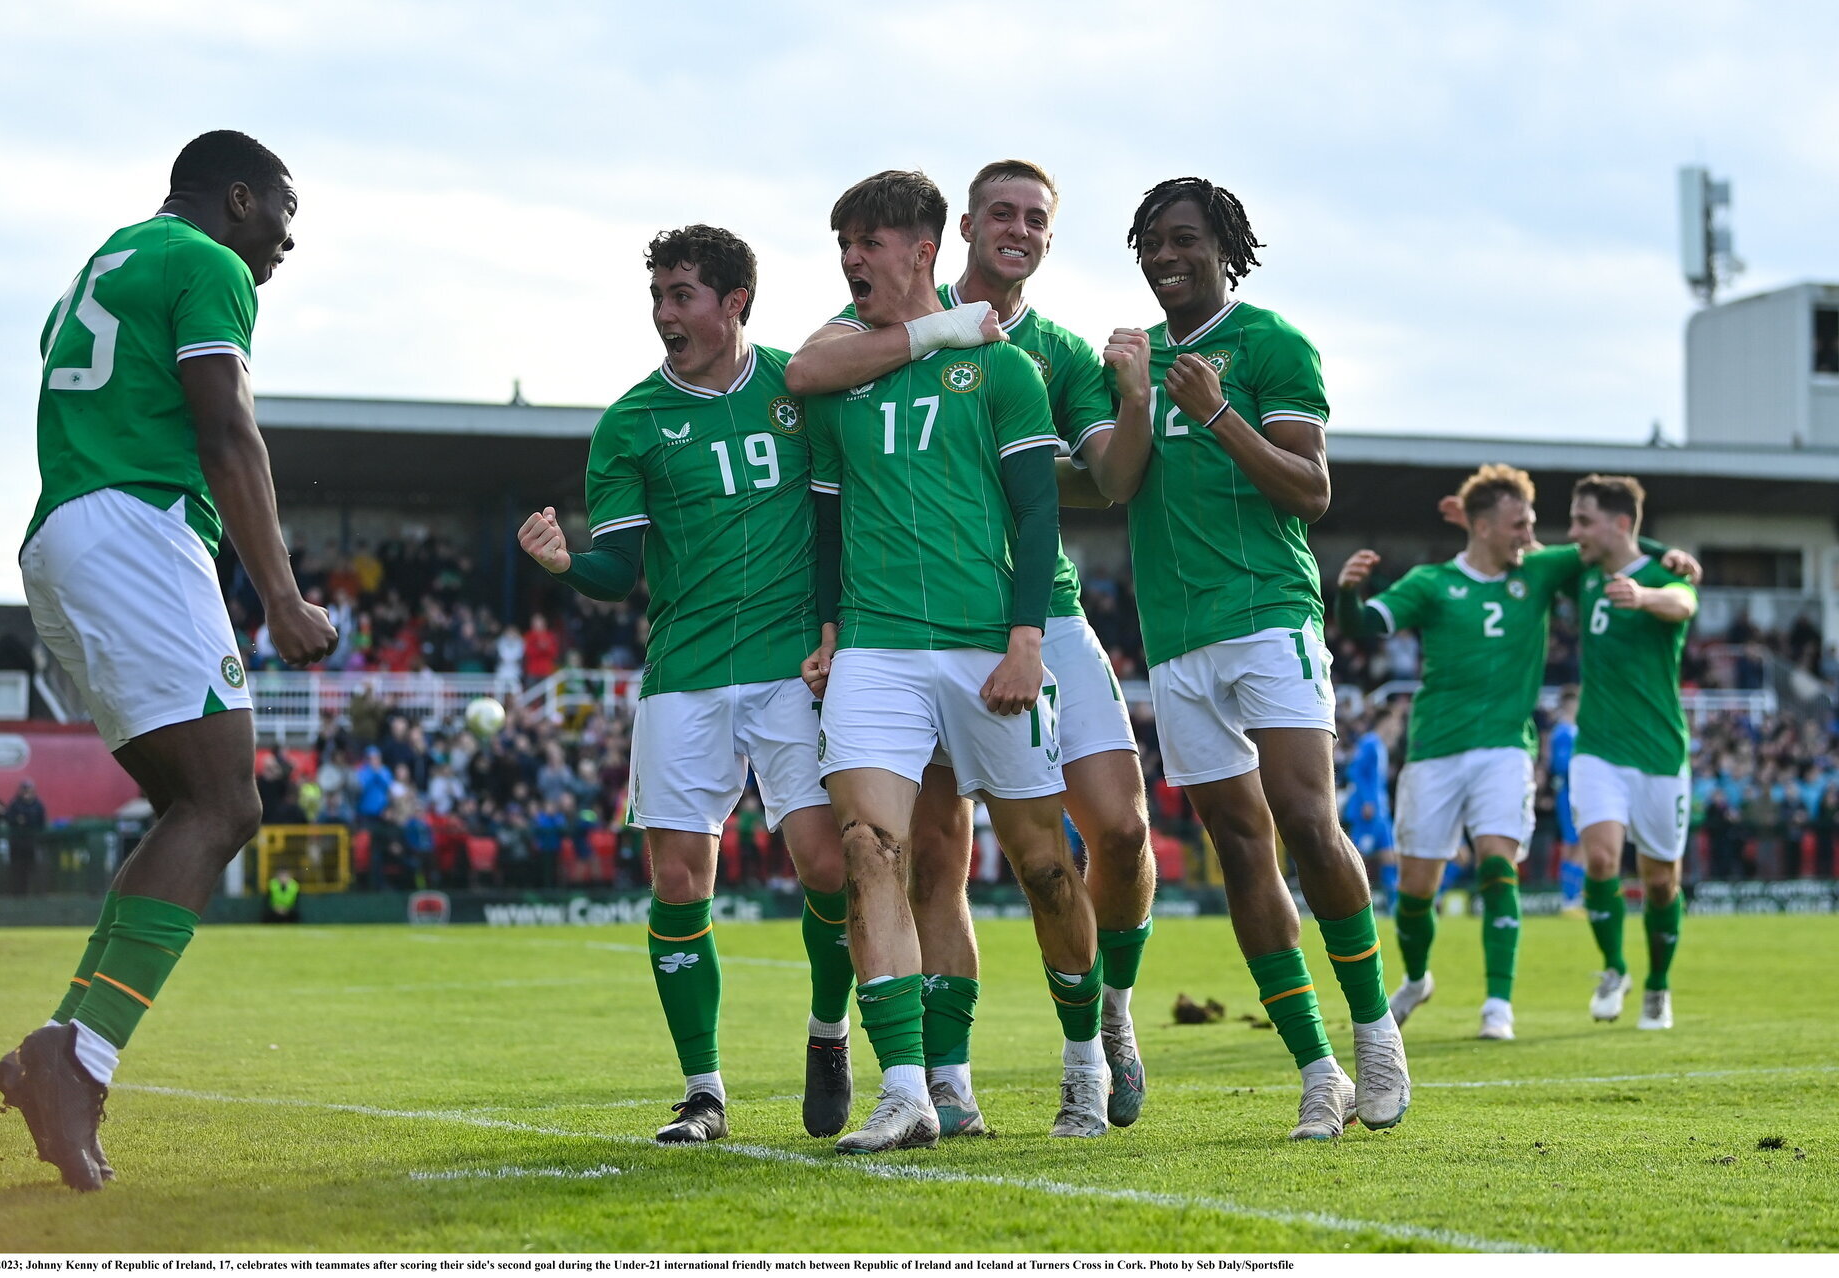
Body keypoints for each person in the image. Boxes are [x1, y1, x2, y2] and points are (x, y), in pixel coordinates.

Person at [0, 130, 338, 1192]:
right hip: (134, 530)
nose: (288, 238)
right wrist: (279, 595)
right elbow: (227, 428)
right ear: (238, 198)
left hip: (63, 533)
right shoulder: (210, 265)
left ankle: (65, 1047)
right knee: (226, 807)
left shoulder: (102, 265)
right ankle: (78, 1054)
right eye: (283, 210)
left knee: (194, 806)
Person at [786, 160, 1156, 1134]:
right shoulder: (844, 365)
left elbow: (1042, 517)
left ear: (919, 248)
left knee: (1045, 863)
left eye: (866, 244)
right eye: (843, 247)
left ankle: (1085, 1052)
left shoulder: (1007, 367)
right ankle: (908, 1089)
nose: (851, 262)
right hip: (875, 649)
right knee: (875, 848)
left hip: (988, 646)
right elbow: (824, 516)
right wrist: (828, 626)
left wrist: (1026, 641)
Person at [517, 225, 851, 1144]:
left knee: (830, 866)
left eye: (683, 296)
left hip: (795, 665)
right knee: (676, 882)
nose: (666, 314)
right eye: (658, 296)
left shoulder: (800, 384)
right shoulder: (631, 422)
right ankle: (704, 1092)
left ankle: (829, 1031)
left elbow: (840, 518)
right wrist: (563, 563)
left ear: (735, 301)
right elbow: (616, 572)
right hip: (686, 673)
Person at [1094, 176, 1407, 1140]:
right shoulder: (1130, 363)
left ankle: (1375, 1035)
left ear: (1227, 248)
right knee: (1239, 845)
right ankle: (1317, 1070)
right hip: (1176, 638)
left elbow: (1310, 492)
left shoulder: (1272, 342)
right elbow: (1106, 480)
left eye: (1184, 239)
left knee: (1309, 820)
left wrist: (1220, 412)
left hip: (1269, 612)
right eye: (1150, 241)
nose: (1164, 256)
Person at [1334, 467, 1700, 1040]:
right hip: (1434, 749)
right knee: (1415, 889)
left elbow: (1613, 541)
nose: (1534, 536)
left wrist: (1665, 552)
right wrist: (1348, 590)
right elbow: (1364, 624)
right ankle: (1417, 977)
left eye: (1533, 525)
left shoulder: (1541, 570)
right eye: (1521, 524)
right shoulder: (1432, 583)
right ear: (1481, 527)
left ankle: (1498, 1006)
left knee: (1498, 863)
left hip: (1507, 747)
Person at [1566, 475, 1698, 1030]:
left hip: (1660, 753)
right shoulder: (1581, 572)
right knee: (1600, 858)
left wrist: (1644, 596)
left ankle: (1659, 986)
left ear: (1621, 523)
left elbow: (1684, 603)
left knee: (1662, 879)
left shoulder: (1664, 573)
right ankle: (1614, 967)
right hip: (1597, 745)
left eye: (1583, 521)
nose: (1574, 533)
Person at [1344, 706, 1399, 899]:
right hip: (1368, 811)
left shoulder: (1380, 745)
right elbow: (1355, 771)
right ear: (1385, 722)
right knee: (1359, 854)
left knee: (1390, 855)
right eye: (1394, 722)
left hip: (1381, 812)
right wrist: (1367, 801)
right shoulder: (1369, 742)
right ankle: (1346, 896)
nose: (1397, 727)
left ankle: (1394, 907)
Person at [1549, 688, 1586, 915]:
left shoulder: (1576, 730)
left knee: (1580, 844)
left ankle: (1574, 898)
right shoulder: (1562, 732)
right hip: (1569, 794)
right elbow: (1559, 766)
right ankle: (1569, 899)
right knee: (1573, 845)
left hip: (1580, 793)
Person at [5, 780, 48, 896]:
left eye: (29, 789)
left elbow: (42, 823)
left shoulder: (38, 804)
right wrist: (17, 820)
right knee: (18, 871)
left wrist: (26, 820)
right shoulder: (14, 804)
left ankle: (37, 894)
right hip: (17, 844)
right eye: (24, 789)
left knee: (35, 870)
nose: (26, 792)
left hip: (33, 843)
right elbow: (8, 818)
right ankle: (19, 895)